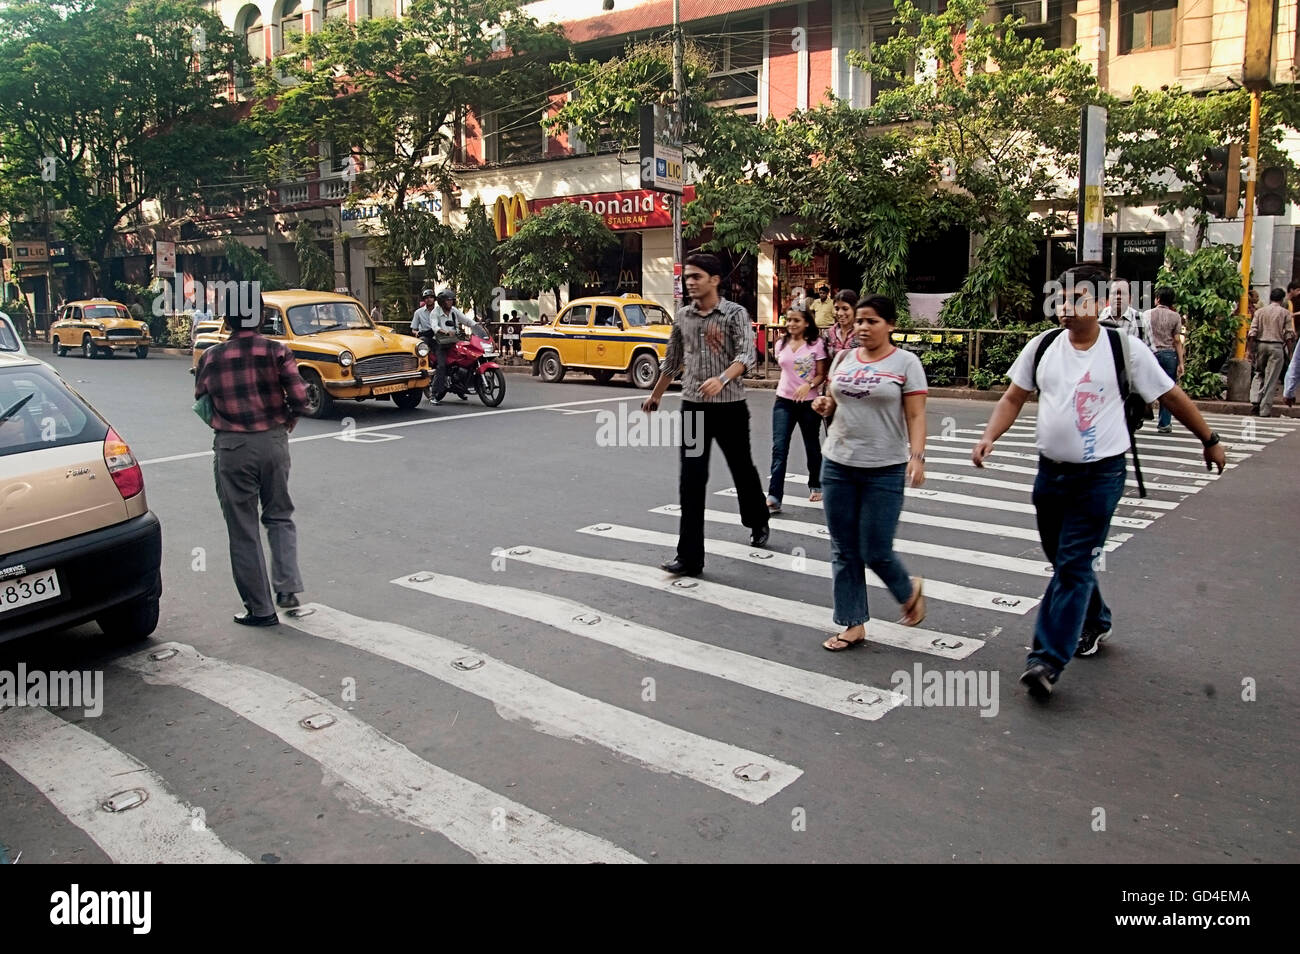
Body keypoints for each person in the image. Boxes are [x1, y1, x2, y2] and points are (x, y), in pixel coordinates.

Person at [972, 264, 1226, 698]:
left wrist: (1210, 439)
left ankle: (1047, 659)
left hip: (1100, 477)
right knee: (1065, 560)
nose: (1067, 308)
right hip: (1050, 474)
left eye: (1078, 299)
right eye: (1062, 298)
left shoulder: (1124, 350)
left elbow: (1170, 396)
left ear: (1101, 302)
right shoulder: (1043, 346)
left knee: (1071, 565)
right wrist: (989, 437)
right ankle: (1096, 619)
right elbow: (1014, 396)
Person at [811, 295, 928, 651]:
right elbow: (835, 400)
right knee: (844, 549)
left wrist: (917, 456)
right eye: (859, 321)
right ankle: (852, 623)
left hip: (884, 468)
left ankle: (908, 591)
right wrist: (824, 404)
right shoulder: (844, 358)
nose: (862, 327)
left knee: (875, 549)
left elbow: (916, 415)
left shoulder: (906, 363)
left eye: (871, 321)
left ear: (890, 325)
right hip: (837, 463)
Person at [642, 252, 769, 576]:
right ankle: (689, 557)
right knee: (691, 480)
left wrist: (723, 377)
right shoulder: (683, 317)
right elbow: (672, 361)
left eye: (696, 276)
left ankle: (757, 519)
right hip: (694, 411)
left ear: (714, 280)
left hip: (730, 409)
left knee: (741, 469)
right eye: (687, 277)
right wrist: (656, 396)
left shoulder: (734, 314)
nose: (690, 282)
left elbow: (747, 354)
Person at [194, 296, 309, 627]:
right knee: (280, 516)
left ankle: (260, 609)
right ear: (260, 318)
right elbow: (300, 398)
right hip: (273, 441)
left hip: (232, 447)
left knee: (243, 529)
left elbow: (201, 398)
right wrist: (287, 421)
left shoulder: (211, 357)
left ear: (228, 320)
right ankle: (287, 588)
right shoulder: (277, 351)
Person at [767, 305, 828, 513]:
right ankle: (774, 495)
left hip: (809, 403)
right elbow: (785, 369)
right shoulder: (780, 343)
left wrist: (809, 384)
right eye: (789, 320)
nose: (791, 324)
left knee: (811, 445)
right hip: (783, 401)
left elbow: (821, 374)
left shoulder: (816, 344)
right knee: (779, 447)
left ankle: (815, 484)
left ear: (807, 323)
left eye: (796, 321)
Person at [1247, 288, 1296, 417]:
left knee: (1259, 373)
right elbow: (1289, 335)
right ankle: (1264, 409)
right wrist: (1290, 353)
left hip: (1261, 345)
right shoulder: (1285, 313)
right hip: (1276, 347)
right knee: (1271, 378)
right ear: (1282, 299)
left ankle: (1255, 400)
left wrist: (1249, 350)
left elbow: (1252, 332)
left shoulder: (1260, 312)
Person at [1144, 287, 1184, 433]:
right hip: (1169, 355)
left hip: (1150, 354)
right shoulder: (1176, 317)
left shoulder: (1147, 314)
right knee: (1167, 390)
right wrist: (1181, 362)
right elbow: (1177, 340)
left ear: (1158, 298)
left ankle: (1141, 413)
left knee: (1144, 385)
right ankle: (1164, 424)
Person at [1098, 280, 1152, 349]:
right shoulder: (1099, 317)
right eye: (1114, 293)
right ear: (1108, 297)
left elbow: (1150, 351)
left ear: (1130, 298)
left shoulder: (1140, 319)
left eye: (1122, 293)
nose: (1118, 297)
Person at [823, 289, 858, 355]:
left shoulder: (861, 333)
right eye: (837, 309)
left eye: (845, 309)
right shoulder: (828, 334)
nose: (840, 313)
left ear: (854, 309)